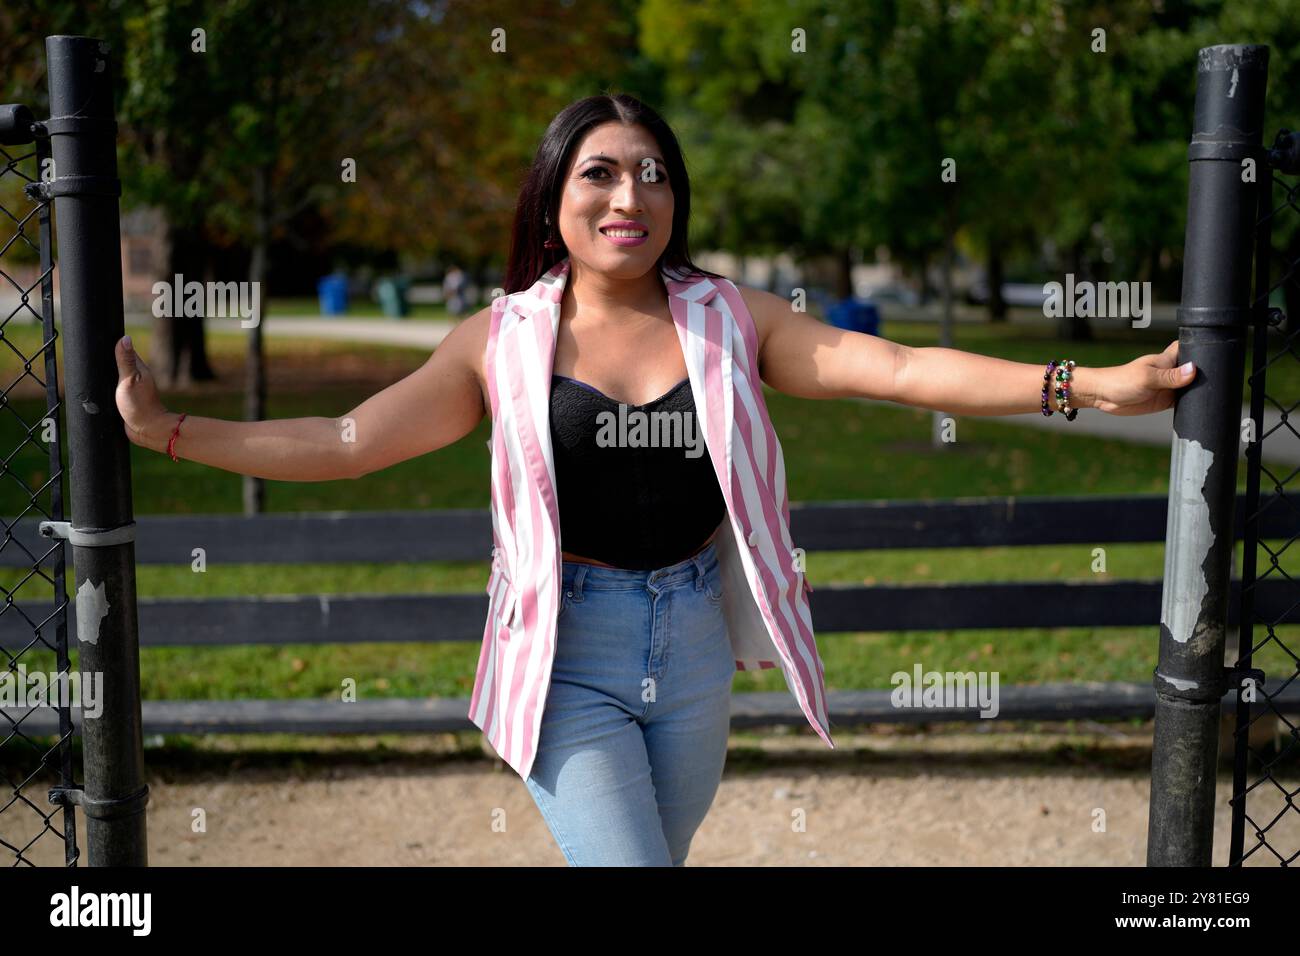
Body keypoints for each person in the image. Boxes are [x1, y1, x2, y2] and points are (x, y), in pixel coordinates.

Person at [113, 93, 1197, 867]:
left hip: (689, 647)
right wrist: (170, 430)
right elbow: (348, 438)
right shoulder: (498, 340)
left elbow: (905, 368)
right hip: (563, 655)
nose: (630, 191)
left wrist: (1084, 383)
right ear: (553, 199)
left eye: (653, 171)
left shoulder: (733, 319)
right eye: (600, 170)